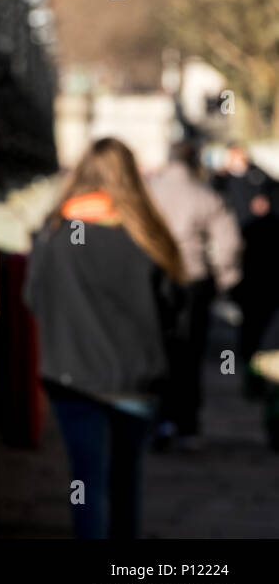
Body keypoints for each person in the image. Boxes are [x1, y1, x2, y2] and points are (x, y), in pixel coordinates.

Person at [25, 137, 186, 539]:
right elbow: (173, 306)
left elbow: (33, 299)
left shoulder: (55, 233)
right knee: (126, 478)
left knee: (86, 481)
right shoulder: (148, 234)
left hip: (73, 378)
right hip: (137, 378)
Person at [146, 141, 242, 447]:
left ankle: (159, 420)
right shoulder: (206, 196)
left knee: (158, 348)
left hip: (155, 278)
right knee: (190, 353)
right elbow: (228, 243)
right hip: (194, 280)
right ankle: (186, 424)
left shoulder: (148, 194)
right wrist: (224, 279)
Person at [211, 142, 279, 398]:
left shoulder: (259, 179)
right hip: (246, 263)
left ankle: (258, 378)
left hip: (263, 266)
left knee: (262, 328)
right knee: (250, 325)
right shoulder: (224, 181)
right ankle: (251, 375)